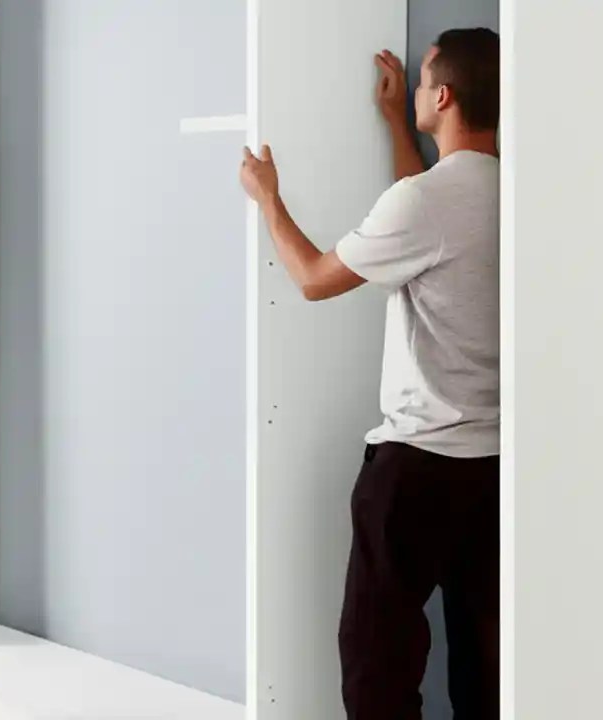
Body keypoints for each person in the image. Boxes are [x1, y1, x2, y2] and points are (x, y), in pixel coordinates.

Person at [238, 28, 500, 719]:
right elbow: (426, 211)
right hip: (497, 471)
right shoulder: (514, 196)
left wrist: (267, 197)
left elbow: (316, 279)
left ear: (442, 96)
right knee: (489, 671)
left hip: (416, 468)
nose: (413, 90)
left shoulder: (425, 203)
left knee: (376, 668)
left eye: (420, 86)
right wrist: (393, 119)